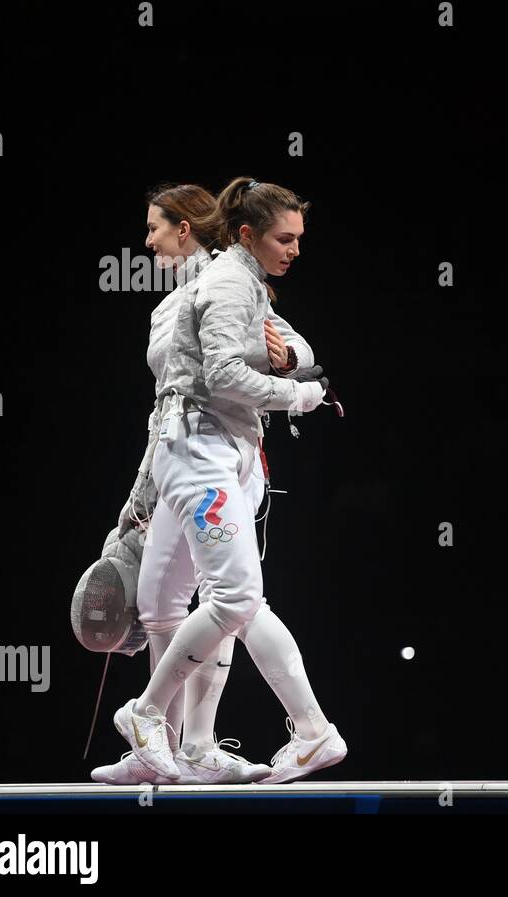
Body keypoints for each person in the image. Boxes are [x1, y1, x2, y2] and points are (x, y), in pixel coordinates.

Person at [111, 177, 347, 783]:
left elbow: (286, 344)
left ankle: (178, 737)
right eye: (285, 238)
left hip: (223, 453)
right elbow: (184, 390)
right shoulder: (210, 289)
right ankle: (164, 742)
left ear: (185, 230)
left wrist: (292, 366)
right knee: (173, 601)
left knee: (234, 597)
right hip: (192, 450)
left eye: (154, 228)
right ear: (249, 233)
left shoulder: (240, 284)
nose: (147, 241)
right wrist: (302, 396)